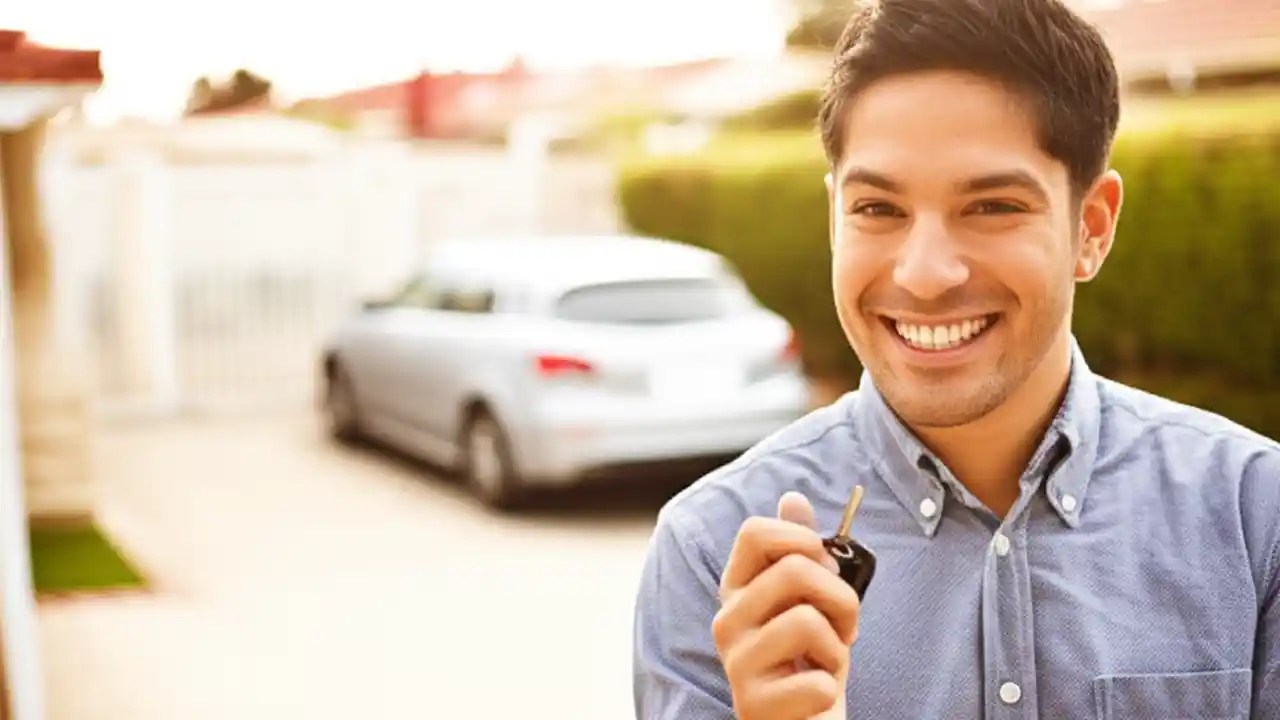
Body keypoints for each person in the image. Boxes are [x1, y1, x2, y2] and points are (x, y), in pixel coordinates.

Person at [631, 0, 1280, 717]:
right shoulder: (711, 555)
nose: (924, 274)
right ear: (832, 220)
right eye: (878, 209)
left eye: (993, 206)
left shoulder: (1257, 520)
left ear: (1091, 228)